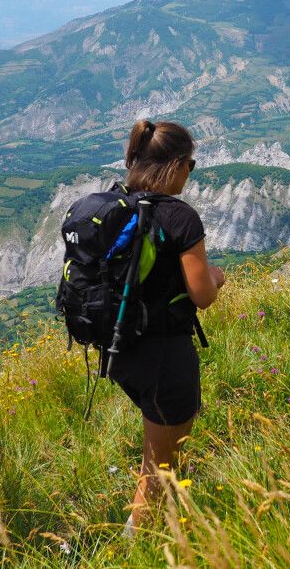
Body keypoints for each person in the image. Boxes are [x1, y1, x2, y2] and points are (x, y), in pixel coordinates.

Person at [109, 120, 225, 536]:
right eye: (190, 165)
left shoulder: (116, 205)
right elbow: (202, 295)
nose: (189, 174)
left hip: (122, 350)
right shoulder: (180, 217)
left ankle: (151, 527)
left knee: (154, 453)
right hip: (164, 354)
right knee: (162, 465)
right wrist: (216, 276)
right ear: (176, 165)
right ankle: (141, 543)